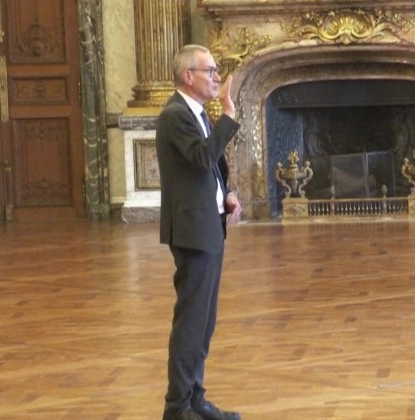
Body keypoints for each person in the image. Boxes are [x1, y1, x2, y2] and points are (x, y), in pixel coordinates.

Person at [156, 44, 243, 420]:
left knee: (204, 323)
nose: (216, 78)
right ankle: (177, 407)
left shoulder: (196, 114)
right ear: (187, 76)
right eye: (210, 71)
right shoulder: (175, 114)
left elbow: (211, 165)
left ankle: (195, 400)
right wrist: (228, 115)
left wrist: (228, 194)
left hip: (209, 224)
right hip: (191, 230)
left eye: (216, 71)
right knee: (191, 321)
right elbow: (200, 156)